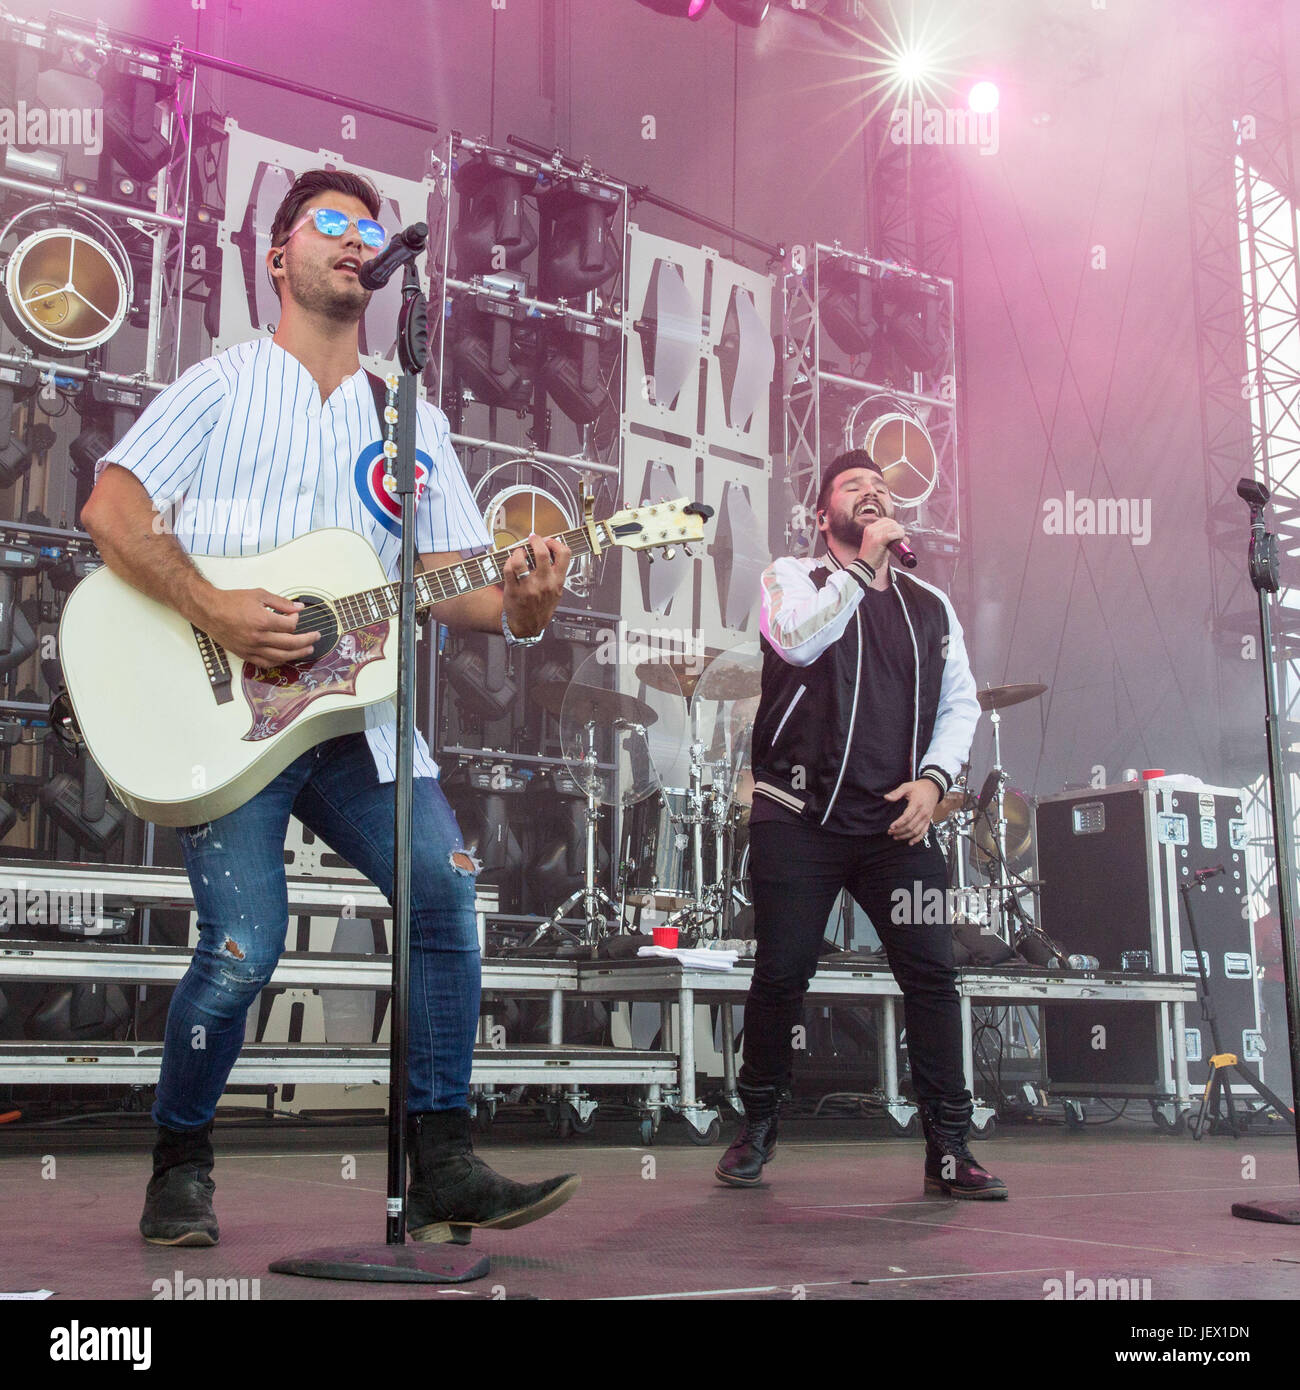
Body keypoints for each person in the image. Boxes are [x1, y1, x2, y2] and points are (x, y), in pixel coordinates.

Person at [79, 168, 579, 1247]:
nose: (357, 241)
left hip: (360, 723)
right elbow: (111, 507)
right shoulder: (220, 385)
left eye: (368, 227)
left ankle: (440, 1156)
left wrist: (529, 606)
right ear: (277, 255)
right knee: (244, 947)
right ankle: (181, 1159)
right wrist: (212, 605)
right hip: (234, 719)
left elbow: (465, 583)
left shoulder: (410, 418)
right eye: (333, 224)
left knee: (445, 901)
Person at [713, 449, 1006, 1199]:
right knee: (782, 973)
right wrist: (859, 571)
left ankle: (949, 1144)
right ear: (824, 515)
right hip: (798, 818)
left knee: (934, 974)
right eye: (855, 487)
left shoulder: (930, 605)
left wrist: (935, 783)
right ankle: (759, 1123)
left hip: (894, 828)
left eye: (882, 486)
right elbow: (799, 641)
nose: (874, 493)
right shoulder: (791, 578)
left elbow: (961, 704)